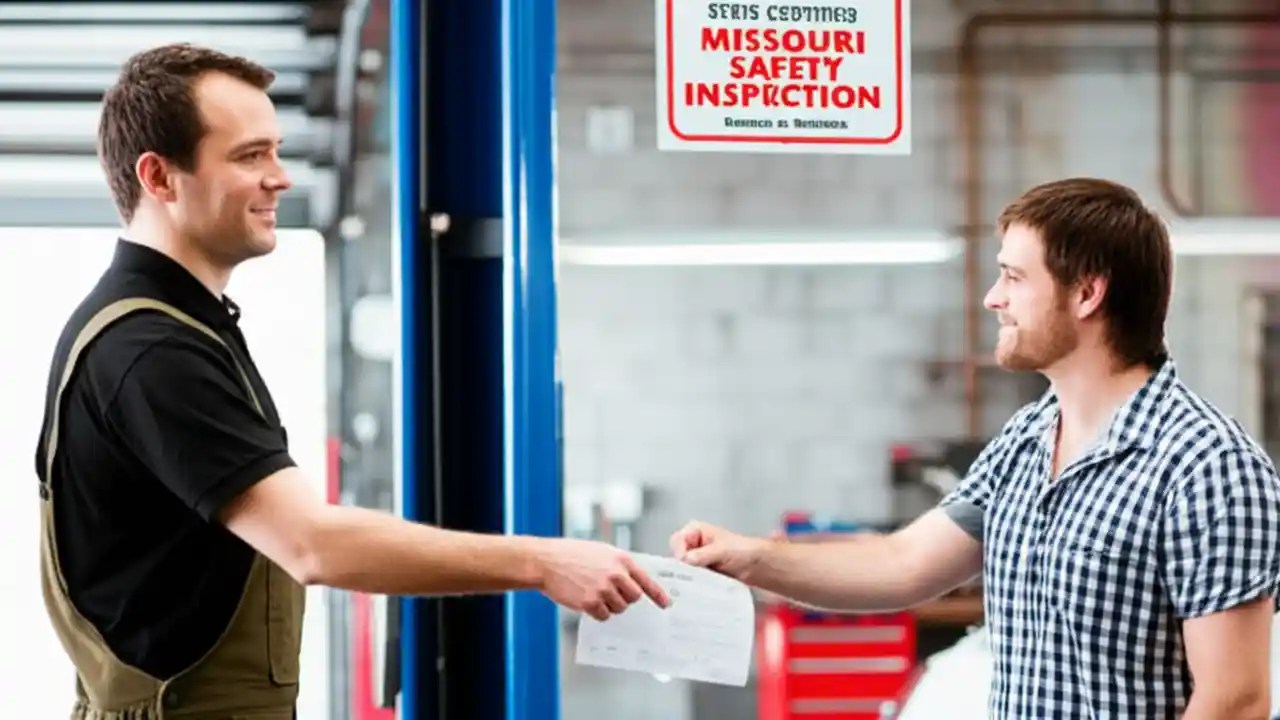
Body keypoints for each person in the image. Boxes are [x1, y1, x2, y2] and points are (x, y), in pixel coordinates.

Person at [35, 43, 668, 719]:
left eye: (276, 151)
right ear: (159, 176)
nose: (279, 177)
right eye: (250, 156)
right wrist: (542, 562)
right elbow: (312, 543)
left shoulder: (178, 329)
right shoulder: (151, 351)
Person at [672, 178, 1280, 719]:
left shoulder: (1208, 466)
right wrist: (749, 557)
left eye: (1015, 277)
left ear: (1087, 294)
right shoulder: (1026, 441)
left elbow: (1236, 701)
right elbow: (902, 564)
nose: (994, 297)